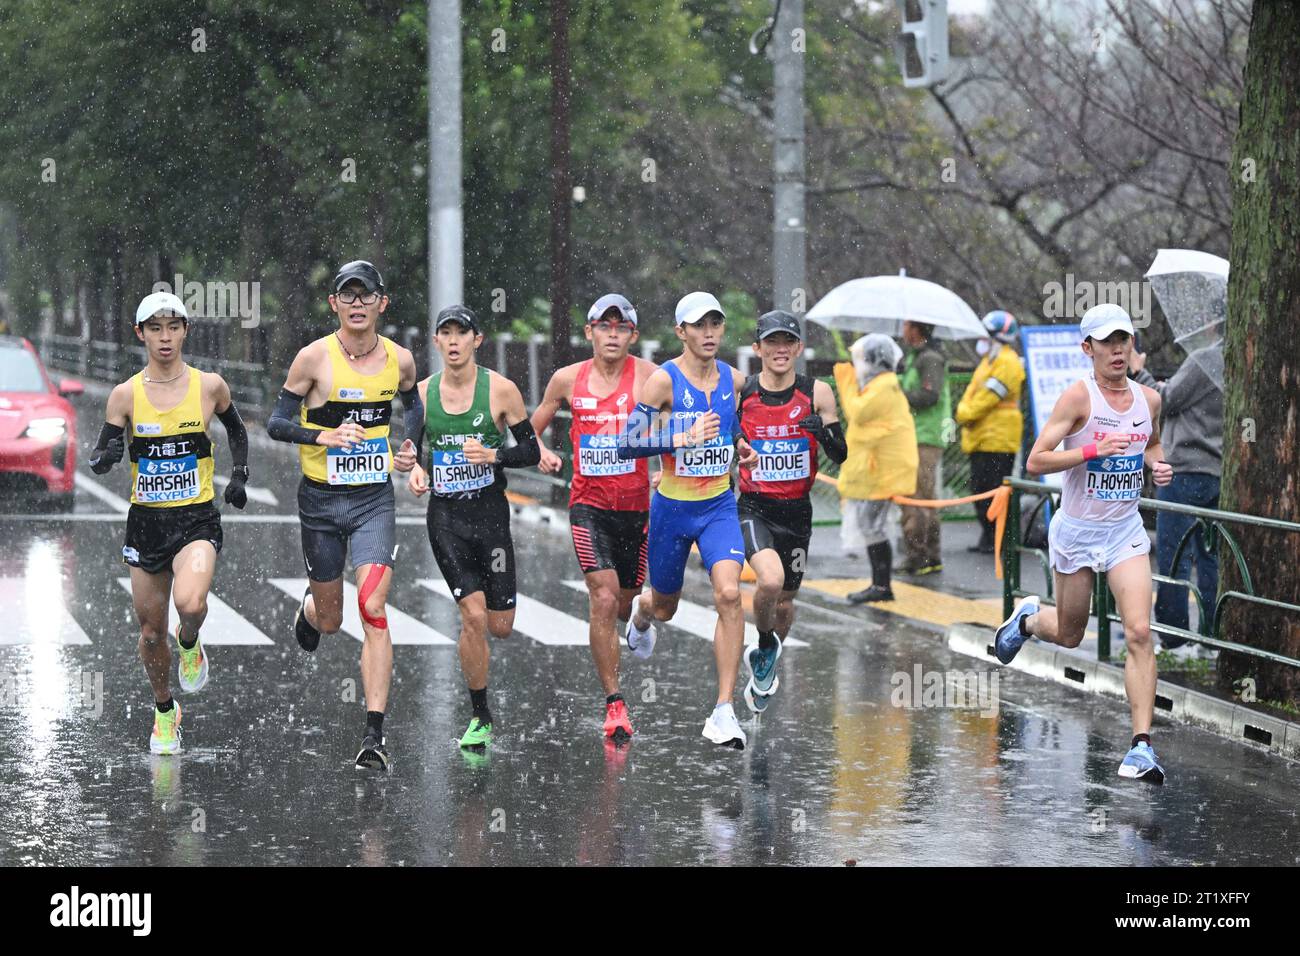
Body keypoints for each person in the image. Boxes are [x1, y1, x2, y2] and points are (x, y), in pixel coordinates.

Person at [994, 303, 1172, 784]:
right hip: (1076, 530)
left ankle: (1141, 747)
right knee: (1071, 633)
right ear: (1087, 348)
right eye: (1107, 342)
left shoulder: (1148, 400)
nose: (1118, 350)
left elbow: (1151, 443)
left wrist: (1157, 466)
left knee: (1138, 632)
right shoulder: (1079, 398)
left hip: (1123, 532)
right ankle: (1029, 620)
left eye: (1124, 340)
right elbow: (1036, 460)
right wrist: (1093, 449)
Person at [265, 260, 420, 771]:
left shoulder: (400, 360)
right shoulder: (313, 359)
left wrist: (410, 447)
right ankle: (311, 608)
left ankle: (373, 736)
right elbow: (276, 423)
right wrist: (321, 435)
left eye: (366, 295)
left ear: (382, 303)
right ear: (333, 304)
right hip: (321, 500)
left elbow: (412, 407)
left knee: (373, 607)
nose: (357, 304)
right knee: (332, 621)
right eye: (346, 296)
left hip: (374, 498)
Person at [88, 291, 249, 753]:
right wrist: (106, 456)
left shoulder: (209, 386)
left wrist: (238, 477)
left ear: (184, 332)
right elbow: (101, 453)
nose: (165, 337)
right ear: (141, 334)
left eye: (172, 327)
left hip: (196, 518)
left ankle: (191, 638)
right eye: (154, 328)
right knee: (150, 632)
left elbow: (237, 430)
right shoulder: (125, 395)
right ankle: (164, 710)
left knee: (192, 602)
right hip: (146, 524)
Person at [616, 291, 758, 749]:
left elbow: (731, 422)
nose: (710, 332)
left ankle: (723, 711)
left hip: (718, 505)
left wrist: (739, 444)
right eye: (699, 325)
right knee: (666, 608)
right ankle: (641, 613)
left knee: (731, 594)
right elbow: (628, 442)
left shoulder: (733, 379)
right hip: (672, 510)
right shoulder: (664, 381)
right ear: (681, 332)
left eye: (716, 323)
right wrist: (681, 433)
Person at [406, 305, 540, 751]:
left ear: (477, 340)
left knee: (501, 625)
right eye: (446, 333)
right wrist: (416, 472)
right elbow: (411, 450)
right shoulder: (422, 394)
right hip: (446, 519)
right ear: (438, 343)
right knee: (473, 615)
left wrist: (494, 457)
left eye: (462, 333)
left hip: (491, 518)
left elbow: (532, 452)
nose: (455, 341)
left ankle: (482, 699)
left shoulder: (501, 391)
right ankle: (480, 714)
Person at [532, 293, 657, 741]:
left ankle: (640, 620)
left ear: (632, 335)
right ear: (589, 332)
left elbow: (683, 421)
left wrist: (666, 471)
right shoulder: (567, 379)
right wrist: (543, 450)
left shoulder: (651, 377)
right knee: (602, 599)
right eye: (604, 327)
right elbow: (532, 427)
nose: (612, 334)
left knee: (627, 601)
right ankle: (615, 703)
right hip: (589, 507)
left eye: (621, 327)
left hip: (637, 508)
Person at [736, 310, 845, 713]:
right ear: (758, 348)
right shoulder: (744, 394)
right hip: (754, 506)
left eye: (788, 342)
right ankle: (764, 643)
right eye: (771, 342)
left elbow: (841, 455)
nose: (780, 350)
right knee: (769, 582)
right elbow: (727, 442)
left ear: (799, 348)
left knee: (785, 601)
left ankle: (767, 659)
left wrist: (825, 432)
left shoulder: (817, 392)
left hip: (797, 512)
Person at [1130, 329, 1223, 646]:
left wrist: (1138, 369)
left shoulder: (1205, 358)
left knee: (1175, 557)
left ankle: (1173, 638)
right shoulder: (1235, 358)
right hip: (1217, 469)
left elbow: (1162, 401)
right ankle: (1212, 638)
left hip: (1184, 468)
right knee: (1210, 558)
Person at [834, 334, 918, 603]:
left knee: (874, 527)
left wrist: (845, 379)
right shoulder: (880, 384)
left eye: (860, 359)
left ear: (874, 360)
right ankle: (879, 584)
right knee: (872, 527)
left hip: (881, 471)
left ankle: (881, 586)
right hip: (877, 470)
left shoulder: (882, 386)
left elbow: (857, 412)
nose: (856, 364)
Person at [955, 310, 1025, 554]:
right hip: (982, 437)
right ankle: (989, 536)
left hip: (999, 438)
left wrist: (965, 413)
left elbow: (987, 398)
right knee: (981, 489)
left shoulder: (1007, 362)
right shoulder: (989, 361)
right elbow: (973, 394)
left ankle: (999, 539)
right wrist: (966, 410)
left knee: (994, 490)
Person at [897, 320, 950, 575]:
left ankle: (922, 555)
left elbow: (930, 395)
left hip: (925, 436)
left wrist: (898, 394)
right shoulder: (915, 357)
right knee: (920, 496)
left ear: (916, 329)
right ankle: (924, 554)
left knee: (918, 497)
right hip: (914, 435)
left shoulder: (929, 359)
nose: (903, 330)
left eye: (907, 326)